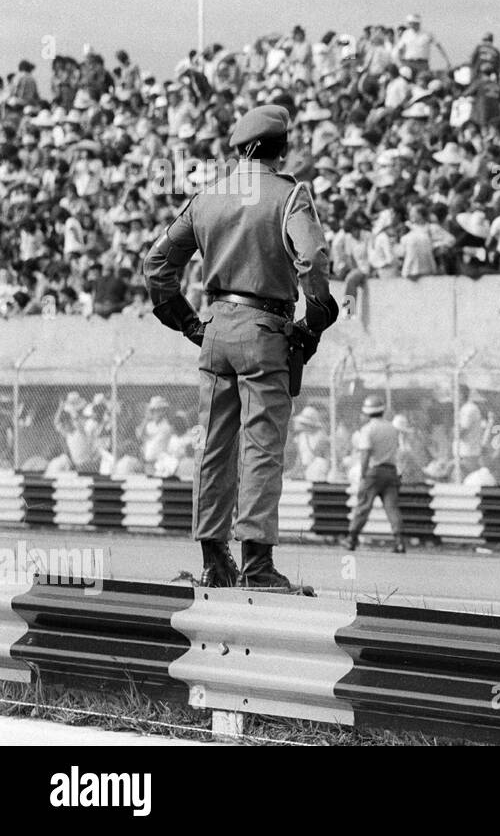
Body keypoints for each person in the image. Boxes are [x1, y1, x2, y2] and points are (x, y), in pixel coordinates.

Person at [144, 104, 338, 592]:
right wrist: (315, 315)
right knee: (261, 446)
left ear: (237, 149)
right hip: (265, 332)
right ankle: (258, 564)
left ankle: (215, 559)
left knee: (212, 444)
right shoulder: (290, 194)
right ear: (282, 148)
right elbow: (312, 256)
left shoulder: (207, 196)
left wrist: (187, 321)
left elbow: (156, 263)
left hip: (214, 329)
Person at [342, 395, 405, 553]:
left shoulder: (367, 429)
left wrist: (363, 474)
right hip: (391, 471)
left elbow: (365, 455)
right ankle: (399, 541)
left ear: (366, 412)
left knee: (363, 506)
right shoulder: (392, 428)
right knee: (392, 508)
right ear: (382, 410)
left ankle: (351, 538)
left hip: (374, 471)